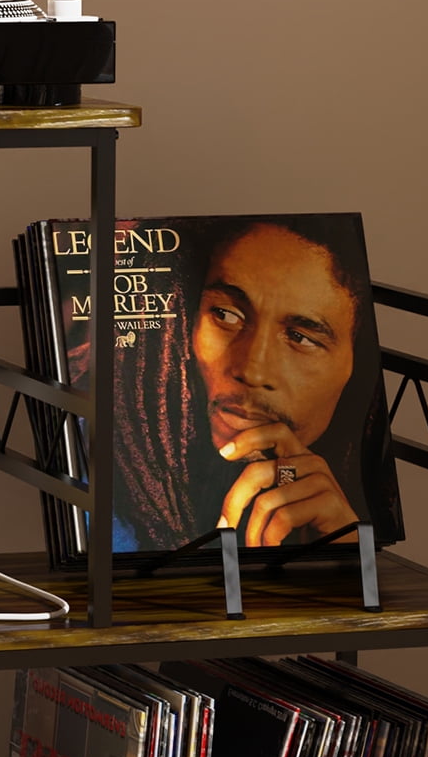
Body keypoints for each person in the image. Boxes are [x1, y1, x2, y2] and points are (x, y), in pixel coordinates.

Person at [113, 214, 400, 552]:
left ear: (356, 368)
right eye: (226, 315)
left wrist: (347, 550)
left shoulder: (349, 504)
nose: (252, 370)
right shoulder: (106, 498)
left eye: (300, 337)